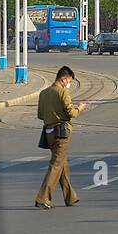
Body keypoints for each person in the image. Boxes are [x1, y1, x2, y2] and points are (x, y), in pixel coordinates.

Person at [35, 66, 89, 209]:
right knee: (56, 165)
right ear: (63, 79)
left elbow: (40, 115)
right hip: (61, 133)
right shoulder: (63, 92)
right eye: (69, 80)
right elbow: (71, 113)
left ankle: (70, 197)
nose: (69, 83)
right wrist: (81, 108)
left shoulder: (44, 93)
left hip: (49, 133)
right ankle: (43, 198)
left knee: (62, 164)